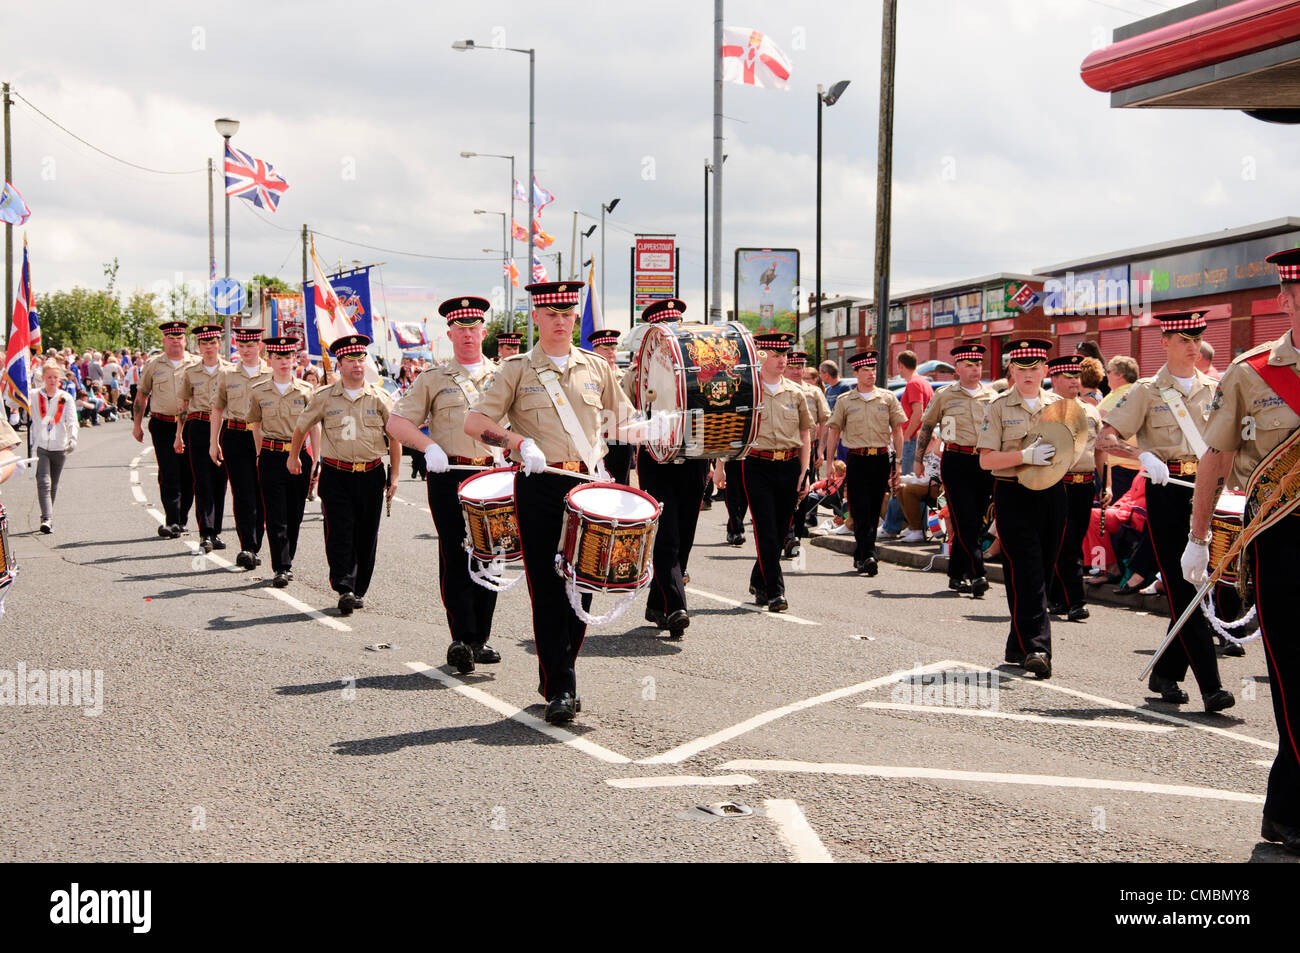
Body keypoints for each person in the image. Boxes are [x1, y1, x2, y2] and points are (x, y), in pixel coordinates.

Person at [465, 280, 644, 724]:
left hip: (588, 485)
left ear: (574, 319)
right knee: (547, 587)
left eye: (567, 314)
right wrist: (515, 442)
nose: (560, 321)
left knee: (583, 585)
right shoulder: (516, 369)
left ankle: (559, 675)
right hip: (540, 484)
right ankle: (561, 686)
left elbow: (623, 422)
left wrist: (657, 428)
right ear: (537, 318)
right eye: (551, 314)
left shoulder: (597, 368)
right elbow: (474, 421)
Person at [1184, 247, 1300, 853]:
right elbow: (1216, 457)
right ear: (1285, 298)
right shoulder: (1251, 372)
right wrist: (1198, 539)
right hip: (1283, 539)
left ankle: (1286, 810)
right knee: (1292, 679)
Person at [1099, 310, 1232, 713]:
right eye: (1183, 338)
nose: (1192, 345)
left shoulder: (1218, 388)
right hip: (1168, 489)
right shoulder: (1145, 390)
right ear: (1165, 342)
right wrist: (1142, 455)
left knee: (1206, 583)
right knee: (1183, 583)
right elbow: (1106, 438)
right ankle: (1212, 687)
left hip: (1212, 490)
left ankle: (1166, 670)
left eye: (1197, 338)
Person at [386, 296, 505, 672]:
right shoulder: (433, 378)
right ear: (449, 334)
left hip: (494, 475)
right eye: (461, 329)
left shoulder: (505, 375)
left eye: (474, 328)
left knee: (492, 555)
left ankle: (480, 638)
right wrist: (428, 446)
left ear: (483, 332)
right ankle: (461, 637)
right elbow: (397, 422)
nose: (468, 335)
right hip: (450, 474)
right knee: (457, 555)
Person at [290, 334, 400, 615]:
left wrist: (395, 476)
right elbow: (302, 426)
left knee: (366, 534)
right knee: (340, 532)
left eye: (361, 359)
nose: (357, 365)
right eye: (350, 360)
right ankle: (344, 586)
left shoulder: (379, 398)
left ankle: (359, 588)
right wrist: (294, 456)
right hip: (336, 474)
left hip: (370, 473)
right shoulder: (325, 397)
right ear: (339, 364)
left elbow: (395, 437)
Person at [976, 338, 1065, 678]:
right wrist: (1024, 457)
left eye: (1035, 368)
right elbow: (986, 460)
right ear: (1011, 370)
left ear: (1045, 369)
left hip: (1052, 492)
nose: (1029, 375)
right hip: (1013, 492)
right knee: (1028, 568)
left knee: (1039, 570)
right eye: (1021, 368)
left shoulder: (1060, 405)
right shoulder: (998, 407)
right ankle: (1039, 649)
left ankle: (1018, 643)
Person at [626, 299, 710, 638]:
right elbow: (631, 401)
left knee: (686, 533)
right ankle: (677, 605)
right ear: (653, 332)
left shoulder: (699, 365)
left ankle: (657, 604)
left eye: (676, 325)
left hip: (693, 455)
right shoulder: (639, 369)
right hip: (656, 458)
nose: (672, 332)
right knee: (667, 535)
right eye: (665, 328)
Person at [916, 343, 996, 596]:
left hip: (984, 462)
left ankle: (956, 572)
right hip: (955, 460)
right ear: (958, 369)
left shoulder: (993, 397)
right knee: (966, 519)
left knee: (976, 520)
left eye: (979, 364)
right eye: (969, 365)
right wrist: (918, 459)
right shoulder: (945, 394)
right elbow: (927, 426)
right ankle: (977, 574)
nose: (975, 369)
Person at [824, 350, 905, 576]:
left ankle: (863, 553)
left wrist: (898, 462)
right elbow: (834, 432)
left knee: (873, 509)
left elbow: (898, 431)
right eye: (866, 370)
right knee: (859, 510)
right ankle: (868, 554)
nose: (871, 374)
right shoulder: (845, 401)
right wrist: (829, 462)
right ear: (856, 373)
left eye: (873, 369)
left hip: (880, 458)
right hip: (857, 458)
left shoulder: (887, 398)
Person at [247, 338, 317, 588]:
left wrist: (316, 459)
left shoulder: (307, 390)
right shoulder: (259, 391)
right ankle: (281, 566)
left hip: (299, 456)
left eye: (288, 357)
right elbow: (255, 424)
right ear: (270, 361)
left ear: (294, 360)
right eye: (278, 357)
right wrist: (259, 454)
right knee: (275, 514)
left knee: (294, 513)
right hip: (271, 455)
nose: (284, 362)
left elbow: (315, 427)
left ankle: (288, 558)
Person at [1045, 355, 1102, 622]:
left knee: (1072, 541)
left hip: (1086, 483)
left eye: (1076, 376)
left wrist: (1107, 482)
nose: (1074, 382)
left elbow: (1100, 449)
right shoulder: (1046, 408)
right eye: (1067, 377)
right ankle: (1077, 601)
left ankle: (1057, 598)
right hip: (1059, 483)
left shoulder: (1091, 410)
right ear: (1054, 379)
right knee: (1067, 544)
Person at [211, 328, 271, 569]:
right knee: (242, 493)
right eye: (242, 345)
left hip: (265, 437)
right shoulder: (227, 374)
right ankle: (248, 546)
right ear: (237, 346)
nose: (246, 350)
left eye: (251, 345)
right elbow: (217, 409)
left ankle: (256, 542)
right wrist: (213, 441)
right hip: (235, 435)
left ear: (259, 346)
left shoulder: (271, 372)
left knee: (262, 494)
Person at [133, 321, 197, 538]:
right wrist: (137, 425)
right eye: (171, 338)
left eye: (179, 337)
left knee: (188, 473)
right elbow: (142, 395)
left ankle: (182, 517)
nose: (176, 341)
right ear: (164, 341)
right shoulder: (154, 364)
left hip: (189, 425)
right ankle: (172, 520)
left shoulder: (195, 363)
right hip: (162, 425)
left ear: (185, 340)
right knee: (169, 472)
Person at [176, 324, 231, 554]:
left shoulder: (231, 371)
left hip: (225, 428)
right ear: (198, 346)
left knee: (220, 480)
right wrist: (178, 434)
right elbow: (183, 405)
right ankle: (206, 533)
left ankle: (216, 530)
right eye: (204, 343)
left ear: (219, 344)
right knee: (203, 481)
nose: (209, 347)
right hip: (198, 426)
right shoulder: (190, 372)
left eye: (212, 342)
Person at [32, 360, 78, 534]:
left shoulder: (65, 397)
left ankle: (47, 515)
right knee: (43, 482)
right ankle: (47, 518)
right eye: (49, 377)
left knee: (53, 484)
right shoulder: (34, 395)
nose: (52, 380)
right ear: (43, 378)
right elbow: (15, 402)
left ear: (60, 379)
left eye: (55, 377)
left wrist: (73, 438)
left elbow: (72, 420)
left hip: (59, 447)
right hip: (41, 445)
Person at [589, 327, 633, 485]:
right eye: (605, 349)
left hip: (620, 440)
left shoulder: (627, 377)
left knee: (621, 484)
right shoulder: (587, 378)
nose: (611, 352)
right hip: (595, 439)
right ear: (594, 350)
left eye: (613, 348)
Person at [1099, 355, 1141, 500]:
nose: (1106, 375)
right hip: (1138, 469)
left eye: (1109, 371)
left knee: (1117, 517)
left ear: (1119, 374)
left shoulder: (1119, 397)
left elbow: (1100, 427)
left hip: (1119, 469)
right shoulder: (1137, 394)